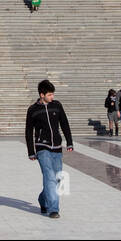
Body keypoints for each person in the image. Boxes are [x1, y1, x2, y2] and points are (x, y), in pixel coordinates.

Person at [26, 79, 73, 219]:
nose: (52, 97)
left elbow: (64, 123)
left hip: (57, 147)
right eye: (50, 94)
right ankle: (53, 209)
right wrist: (31, 151)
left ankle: (42, 199)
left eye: (53, 94)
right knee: (49, 176)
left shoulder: (57, 105)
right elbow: (28, 131)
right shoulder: (33, 110)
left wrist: (69, 142)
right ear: (42, 95)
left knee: (58, 179)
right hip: (42, 147)